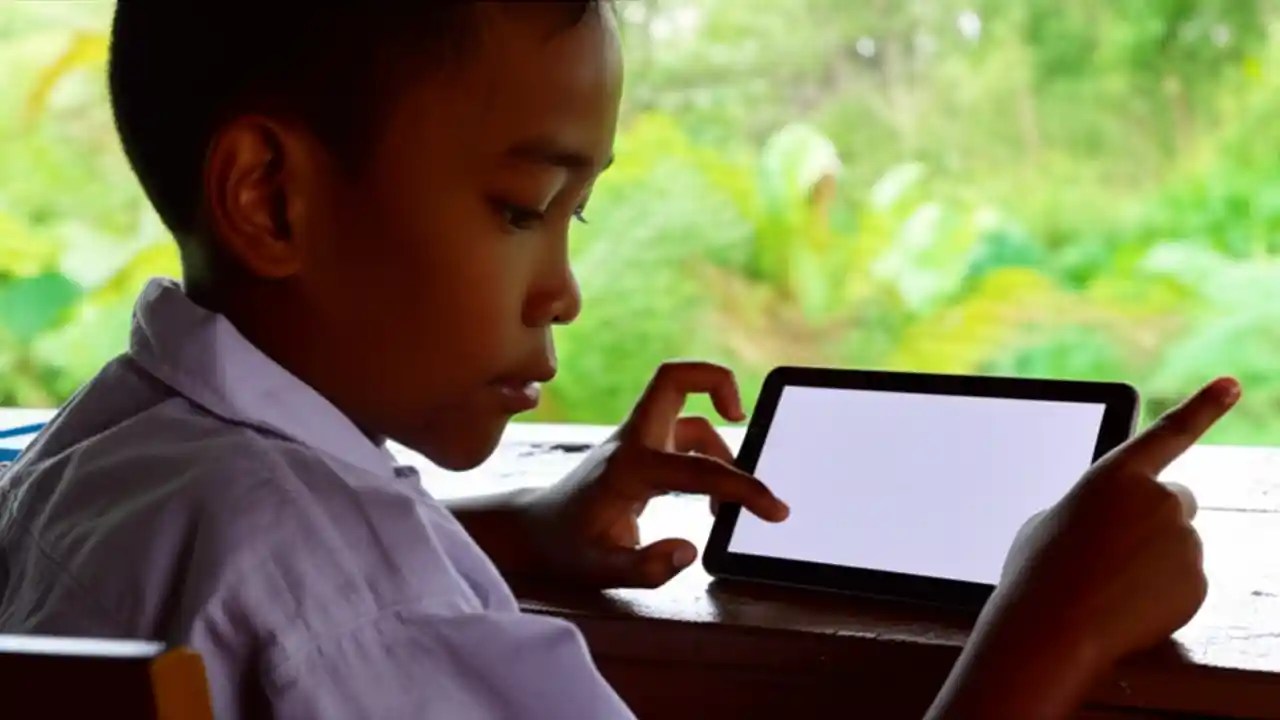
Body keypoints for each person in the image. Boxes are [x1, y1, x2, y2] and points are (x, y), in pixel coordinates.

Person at [0, 2, 1239, 718]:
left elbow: (267, 592)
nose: (565, 291)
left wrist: (504, 532)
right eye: (519, 207)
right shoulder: (346, 596)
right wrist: (1046, 637)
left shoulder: (98, 454)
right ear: (270, 197)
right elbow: (327, 605)